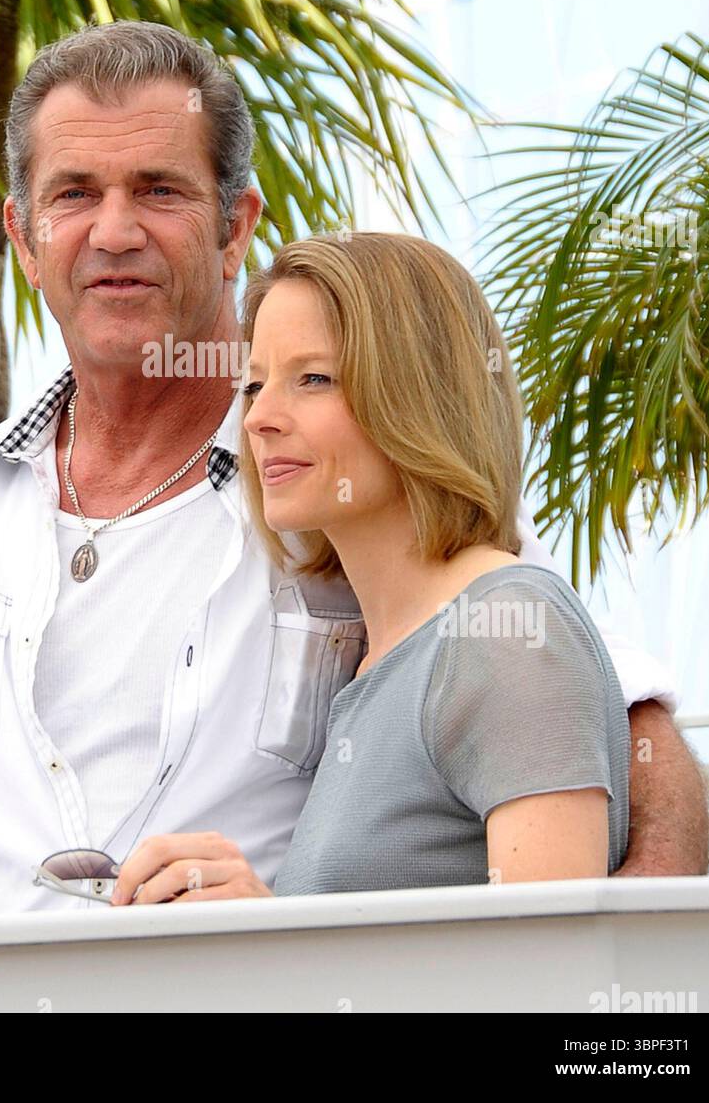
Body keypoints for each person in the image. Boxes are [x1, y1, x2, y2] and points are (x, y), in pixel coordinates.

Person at [0, 22, 709, 929]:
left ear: (234, 224)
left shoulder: (351, 484)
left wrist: (630, 983)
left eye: (158, 188)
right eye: (74, 193)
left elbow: (610, 726)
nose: (115, 231)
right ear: (23, 236)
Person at [110, 233, 632, 905]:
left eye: (314, 379)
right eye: (255, 384)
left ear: (422, 394)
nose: (260, 418)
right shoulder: (379, 660)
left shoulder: (506, 634)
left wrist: (272, 941)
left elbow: (551, 975)